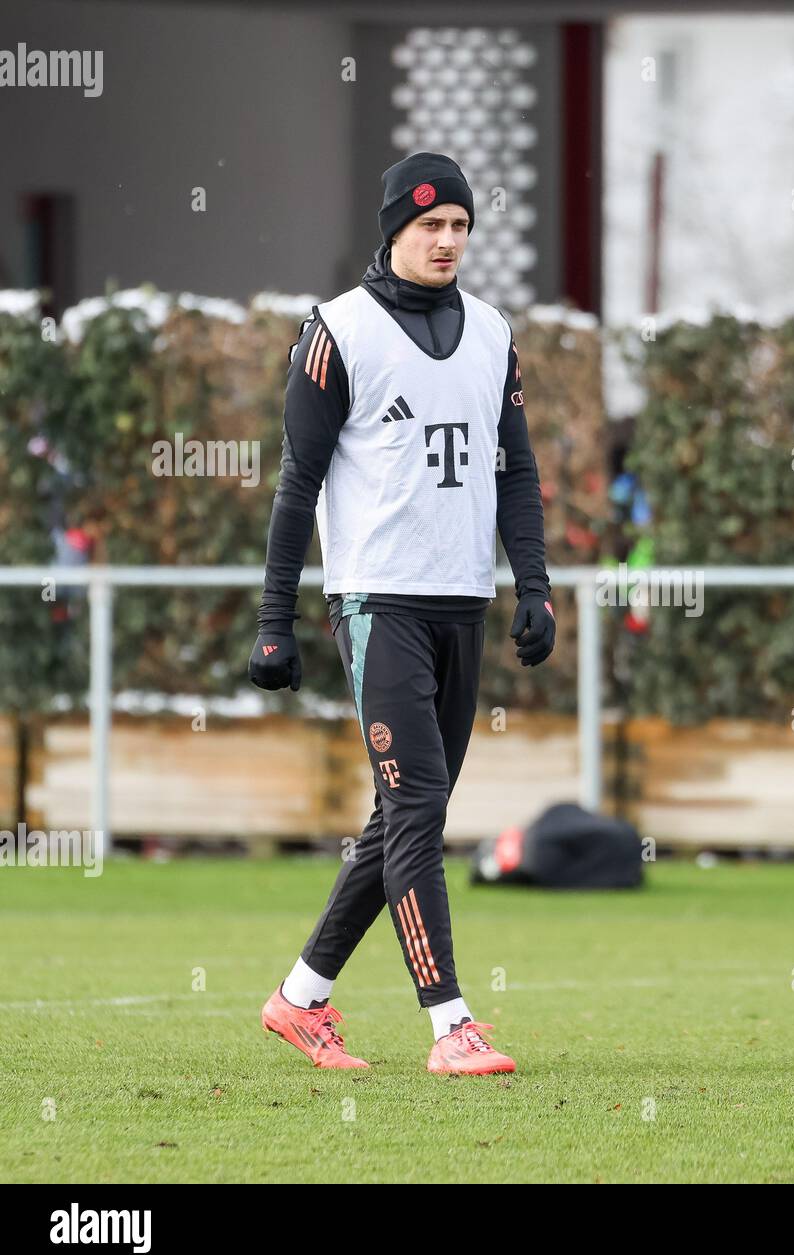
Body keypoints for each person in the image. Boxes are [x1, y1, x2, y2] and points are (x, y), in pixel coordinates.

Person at [247, 153, 555, 1076]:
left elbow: (518, 470)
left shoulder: (494, 331)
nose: (448, 240)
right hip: (377, 601)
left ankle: (300, 998)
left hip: (460, 597)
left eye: (460, 225)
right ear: (394, 231)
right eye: (430, 226)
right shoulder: (336, 331)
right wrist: (275, 619)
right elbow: (297, 482)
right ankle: (450, 1023)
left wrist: (532, 585)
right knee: (417, 801)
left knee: (402, 811)